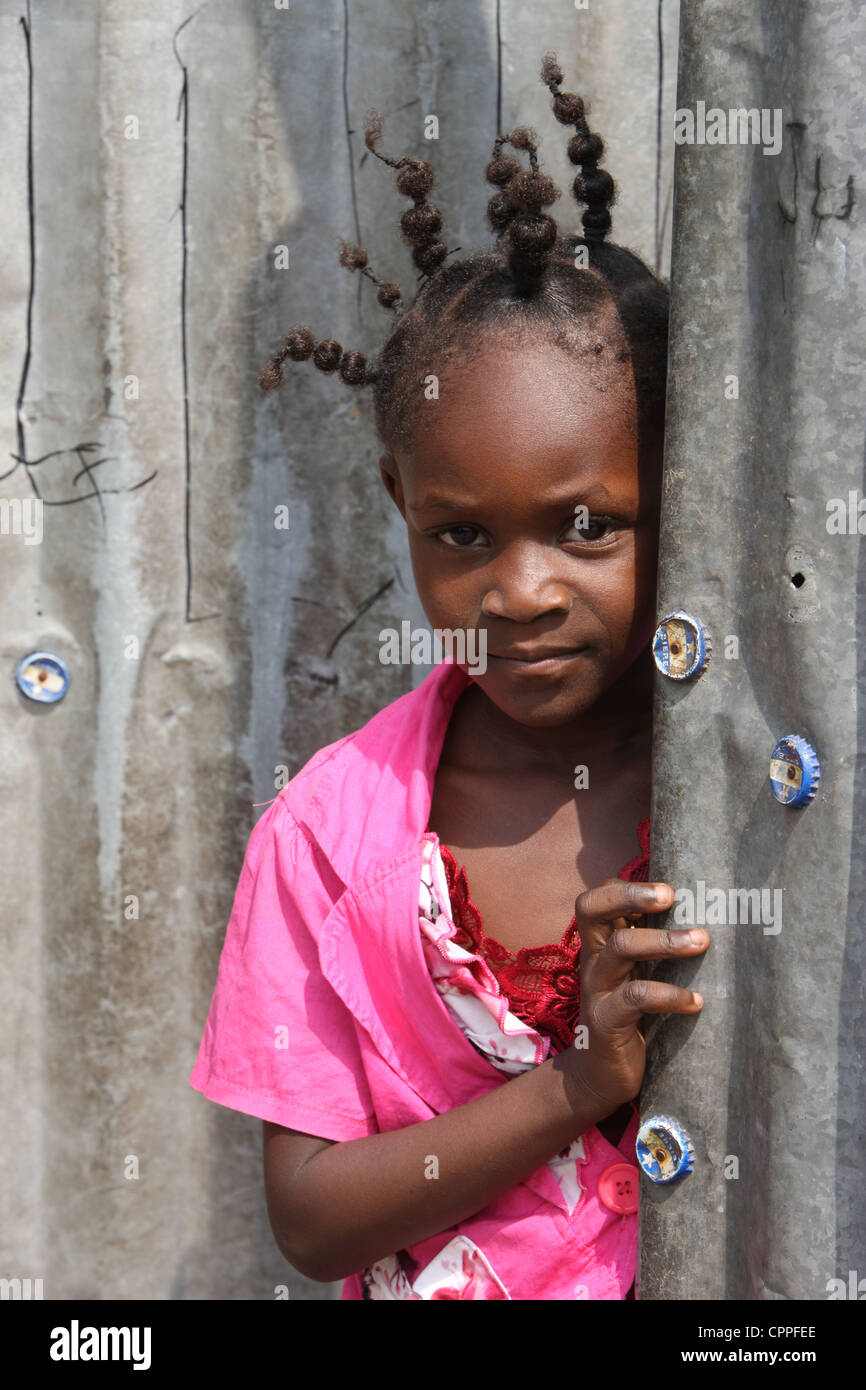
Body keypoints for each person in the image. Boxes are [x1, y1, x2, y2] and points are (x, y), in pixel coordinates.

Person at [188, 53, 710, 1301]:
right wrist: (573, 1085)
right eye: (463, 534)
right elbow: (314, 1221)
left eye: (587, 524)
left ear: (682, 501)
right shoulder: (327, 830)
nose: (519, 592)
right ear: (399, 509)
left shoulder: (766, 785)